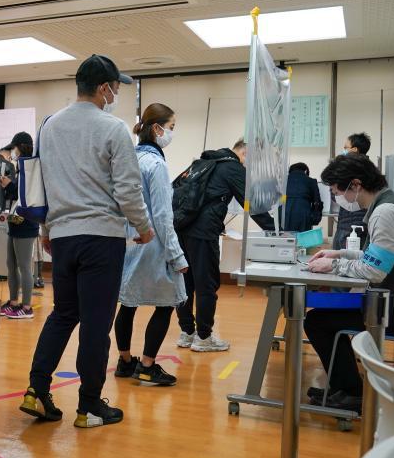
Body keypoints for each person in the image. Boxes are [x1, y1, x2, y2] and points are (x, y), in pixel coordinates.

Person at [18, 54, 154, 429]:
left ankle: (37, 390)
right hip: (101, 238)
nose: (116, 95)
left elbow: (42, 184)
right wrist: (143, 226)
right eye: (115, 88)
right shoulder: (113, 128)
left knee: (63, 314)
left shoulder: (49, 126)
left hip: (62, 238)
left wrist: (47, 230)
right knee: (95, 324)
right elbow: (128, 189)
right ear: (103, 88)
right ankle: (90, 405)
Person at [304, 154, 394, 412]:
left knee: (317, 321)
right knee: (325, 316)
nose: (338, 199)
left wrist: (333, 266)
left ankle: (351, 393)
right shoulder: (391, 203)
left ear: (355, 184)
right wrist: (340, 254)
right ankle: (346, 387)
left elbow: (374, 271)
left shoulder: (385, 212)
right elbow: (378, 258)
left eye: (337, 192)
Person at [175, 138, 274, 352]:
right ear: (246, 153)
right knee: (206, 285)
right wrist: (275, 230)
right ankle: (204, 337)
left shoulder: (205, 162)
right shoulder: (233, 168)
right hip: (203, 233)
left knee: (185, 283)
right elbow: (252, 204)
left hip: (182, 228)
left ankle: (187, 333)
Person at [113, 104, 187, 386]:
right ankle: (147, 366)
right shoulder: (156, 165)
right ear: (157, 128)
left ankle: (125, 361)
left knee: (128, 304)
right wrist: (177, 256)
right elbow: (163, 216)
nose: (172, 133)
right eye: (171, 127)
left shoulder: (129, 159)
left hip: (127, 241)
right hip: (154, 244)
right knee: (167, 304)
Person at [0, 132, 38, 319]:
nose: (12, 152)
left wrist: (9, 185)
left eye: (14, 148)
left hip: (26, 222)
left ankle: (27, 306)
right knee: (11, 264)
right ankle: (14, 302)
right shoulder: (21, 167)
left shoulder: (31, 168)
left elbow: (25, 193)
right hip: (15, 222)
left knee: (24, 266)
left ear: (21, 147)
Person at [332, 132, 372, 250]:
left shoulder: (351, 169)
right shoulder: (369, 168)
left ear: (354, 149)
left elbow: (337, 193)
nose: (343, 151)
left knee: (345, 259)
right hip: (355, 224)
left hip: (351, 227)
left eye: (345, 148)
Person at [281, 162, 323, 233]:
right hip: (303, 213)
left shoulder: (282, 181)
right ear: (305, 171)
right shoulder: (311, 181)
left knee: (284, 237)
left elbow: (281, 198)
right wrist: (316, 217)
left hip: (284, 212)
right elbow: (317, 201)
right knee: (303, 237)